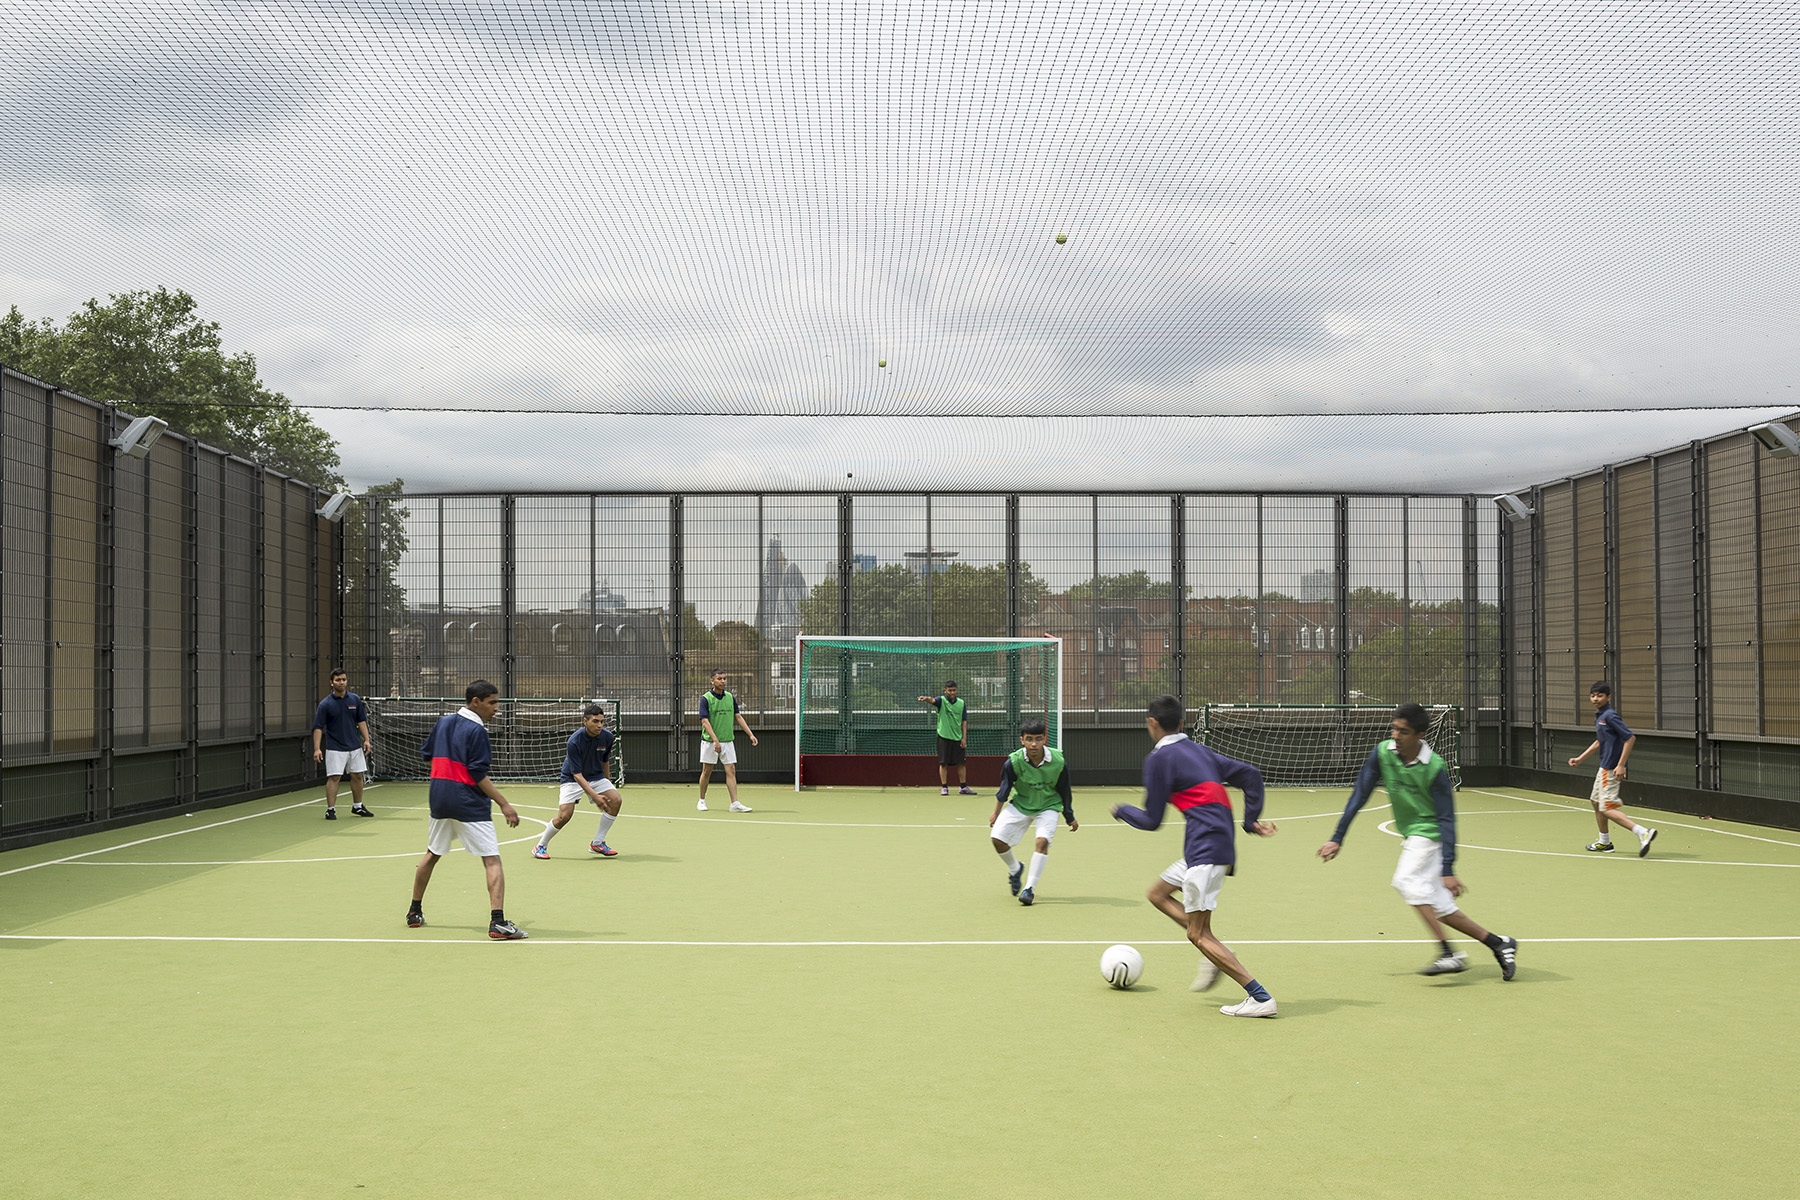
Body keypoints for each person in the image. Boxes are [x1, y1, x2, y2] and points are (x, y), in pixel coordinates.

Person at [1318, 702, 1517, 981]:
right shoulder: (1382, 753)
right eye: (1394, 729)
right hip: (1413, 833)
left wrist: (1448, 869)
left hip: (1430, 832)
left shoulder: (1434, 768)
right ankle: (1499, 943)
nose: (1396, 736)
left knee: (1406, 881)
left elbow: (1447, 819)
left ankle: (1449, 953)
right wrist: (1337, 837)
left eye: (1404, 731)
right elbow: (1359, 794)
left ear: (1420, 735)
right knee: (1439, 906)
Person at [1111, 695, 1280, 1018]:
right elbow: (1251, 775)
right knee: (1157, 893)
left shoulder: (1159, 759)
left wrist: (1122, 810)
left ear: (1152, 723)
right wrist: (1249, 821)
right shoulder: (1199, 750)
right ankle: (1218, 950)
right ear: (1182, 723)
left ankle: (1259, 997)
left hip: (1206, 849)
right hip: (1212, 845)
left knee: (1197, 934)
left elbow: (1151, 820)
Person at [407, 680, 527, 939]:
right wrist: (504, 803)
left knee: (432, 853)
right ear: (476, 702)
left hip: (439, 799)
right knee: (492, 859)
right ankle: (498, 922)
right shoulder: (478, 731)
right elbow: (477, 773)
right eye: (492, 703)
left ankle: (414, 911)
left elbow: (427, 754)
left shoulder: (443, 723)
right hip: (468, 802)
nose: (497, 708)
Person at [989, 719, 1076, 906]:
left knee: (1042, 842)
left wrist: (1069, 816)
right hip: (1021, 804)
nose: (1034, 744)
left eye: (1038, 739)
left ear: (1045, 738)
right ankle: (1015, 869)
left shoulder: (1058, 760)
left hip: (1049, 805)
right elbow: (1004, 790)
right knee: (996, 839)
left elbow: (1064, 790)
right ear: (1022, 740)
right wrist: (996, 814)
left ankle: (1029, 889)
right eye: (1029, 739)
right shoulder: (1013, 762)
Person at [1569, 681, 1657, 856]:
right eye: (1593, 695)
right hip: (1603, 768)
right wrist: (1580, 758)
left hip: (1610, 770)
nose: (1595, 699)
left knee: (1606, 807)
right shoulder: (1600, 716)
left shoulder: (1610, 716)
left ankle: (1642, 832)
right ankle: (1604, 842)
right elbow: (1598, 742)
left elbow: (1630, 738)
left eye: (1600, 695)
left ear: (1608, 697)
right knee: (1595, 801)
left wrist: (1621, 765)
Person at [535, 702, 623, 859]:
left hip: (596, 776)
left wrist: (607, 783)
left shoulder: (607, 737)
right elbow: (577, 775)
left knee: (616, 800)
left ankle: (597, 843)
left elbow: (605, 760)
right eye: (595, 721)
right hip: (572, 779)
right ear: (585, 721)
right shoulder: (574, 741)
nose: (599, 725)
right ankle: (540, 846)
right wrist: (595, 796)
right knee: (564, 816)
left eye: (602, 721)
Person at [312, 668, 373, 820]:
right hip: (335, 748)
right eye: (338, 680)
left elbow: (361, 721)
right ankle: (330, 810)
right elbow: (318, 728)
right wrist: (317, 749)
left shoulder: (354, 700)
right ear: (331, 682)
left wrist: (366, 740)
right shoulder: (325, 704)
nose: (341, 682)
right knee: (334, 777)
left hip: (354, 746)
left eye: (344, 679)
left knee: (358, 775)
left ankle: (357, 806)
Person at [697, 669, 758, 812]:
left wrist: (750, 734)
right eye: (719, 678)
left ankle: (734, 804)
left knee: (731, 770)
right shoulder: (705, 699)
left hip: (727, 741)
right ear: (712, 680)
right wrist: (715, 740)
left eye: (724, 678)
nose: (723, 681)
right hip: (710, 742)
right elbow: (705, 721)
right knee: (707, 771)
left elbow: (738, 716)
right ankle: (701, 800)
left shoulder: (730, 697)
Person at [916, 681, 973, 795]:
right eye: (950, 690)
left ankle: (963, 787)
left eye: (954, 690)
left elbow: (964, 721)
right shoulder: (941, 700)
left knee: (961, 763)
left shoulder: (961, 703)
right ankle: (944, 787)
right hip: (944, 737)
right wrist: (925, 698)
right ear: (945, 691)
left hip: (957, 738)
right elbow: (932, 700)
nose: (952, 693)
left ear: (957, 690)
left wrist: (964, 738)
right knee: (943, 763)